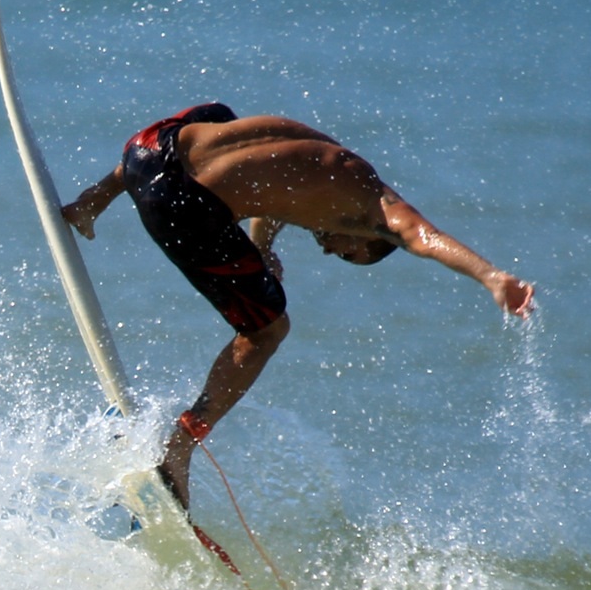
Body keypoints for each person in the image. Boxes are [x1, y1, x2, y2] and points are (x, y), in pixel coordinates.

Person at [62, 103, 533, 508]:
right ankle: (180, 448)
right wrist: (492, 276)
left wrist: (262, 248)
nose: (329, 251)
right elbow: (424, 238)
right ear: (371, 235)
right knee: (268, 330)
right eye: (348, 252)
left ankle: (93, 199)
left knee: (222, 121)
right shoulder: (380, 209)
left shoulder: (326, 158)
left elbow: (275, 189)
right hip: (177, 204)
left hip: (145, 149)